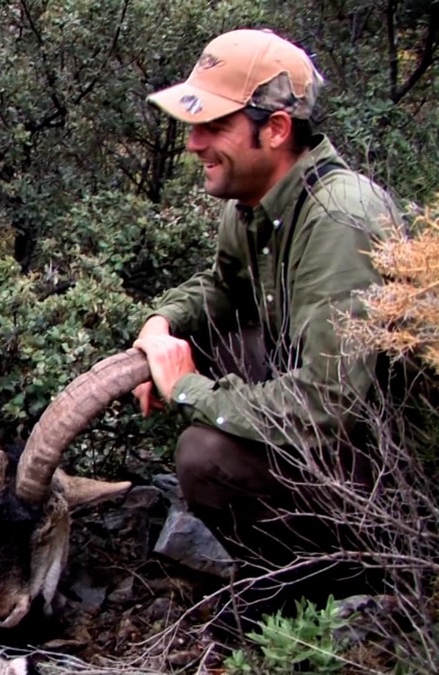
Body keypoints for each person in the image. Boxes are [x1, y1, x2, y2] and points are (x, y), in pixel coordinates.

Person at [131, 29, 402, 608]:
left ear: (275, 129)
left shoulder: (340, 220)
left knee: (203, 458)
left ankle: (325, 587)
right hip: (334, 424)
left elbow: (323, 408)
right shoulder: (255, 206)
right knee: (213, 340)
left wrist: (186, 390)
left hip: (385, 473)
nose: (193, 143)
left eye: (214, 126)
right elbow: (222, 290)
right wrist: (161, 327)